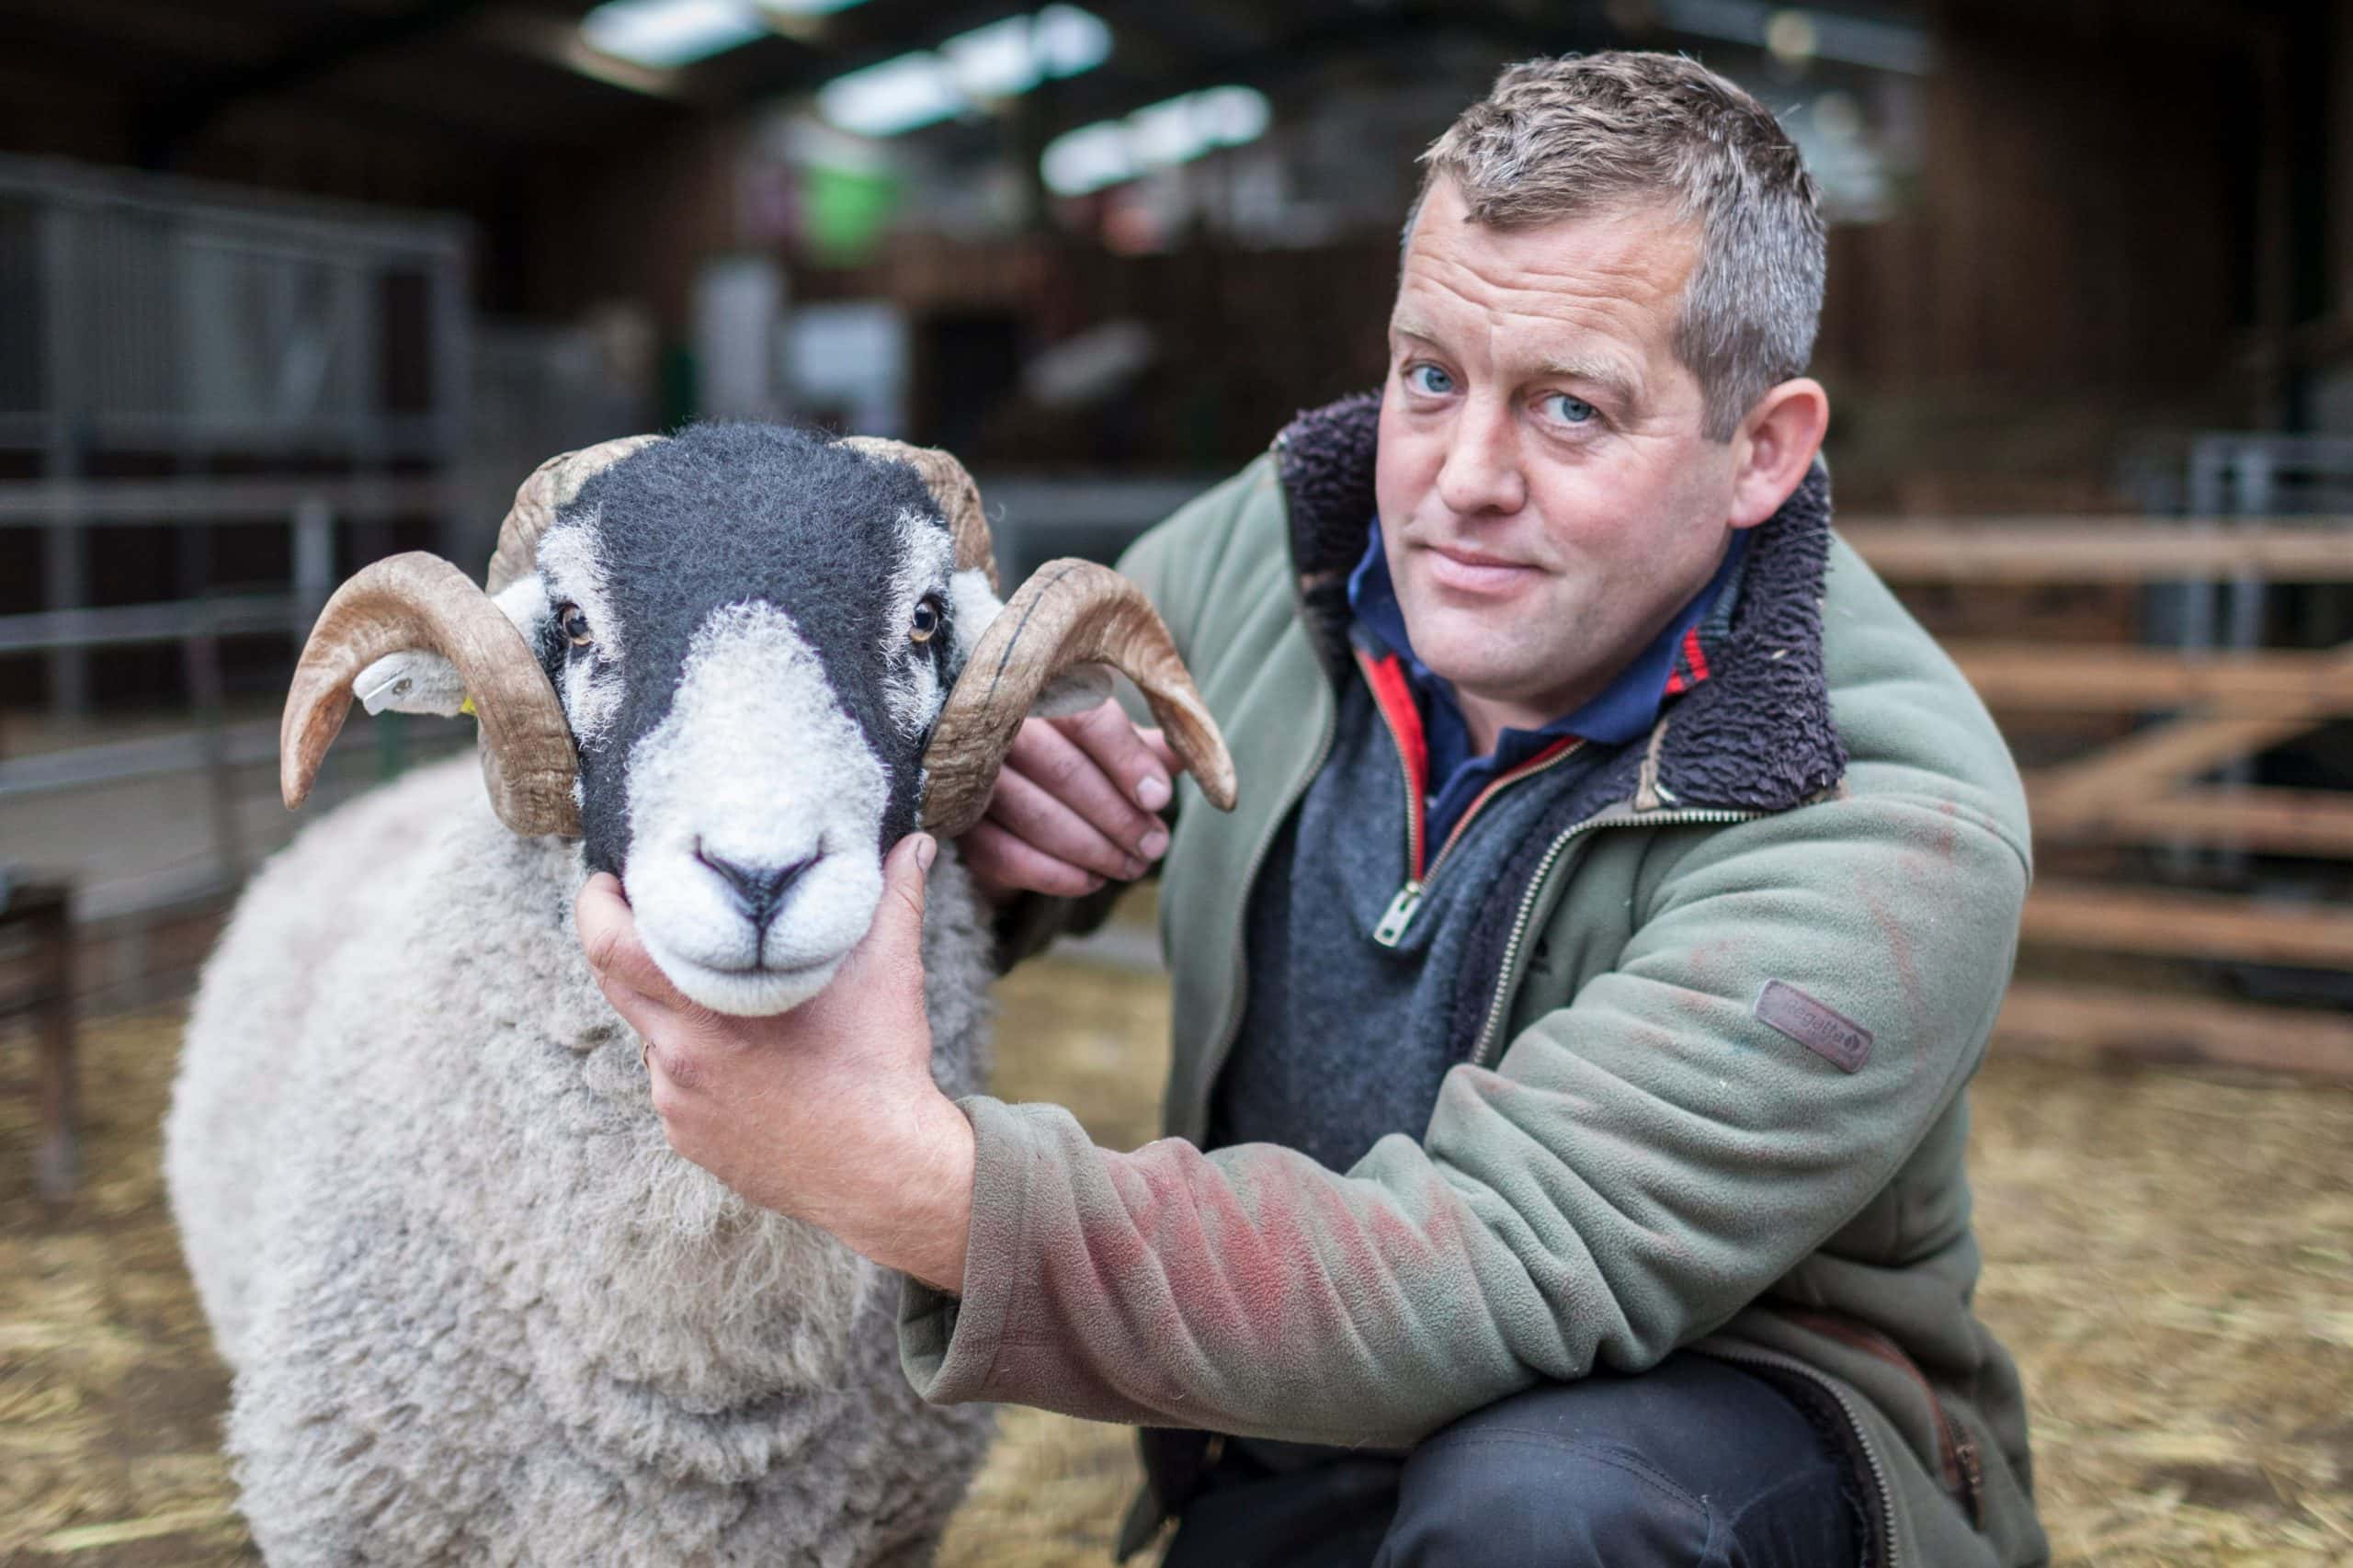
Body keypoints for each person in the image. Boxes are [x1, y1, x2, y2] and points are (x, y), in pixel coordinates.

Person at [577, 51, 2050, 1568]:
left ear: (1763, 451)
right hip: (1297, 1436)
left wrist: (915, 1181)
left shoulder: (1877, 817)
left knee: (1550, 1510)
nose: (1461, 479)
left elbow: (1502, 1264)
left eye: (1570, 409)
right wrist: (992, 827)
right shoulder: (1276, 555)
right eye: (1431, 373)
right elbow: (994, 771)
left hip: (1705, 1455)